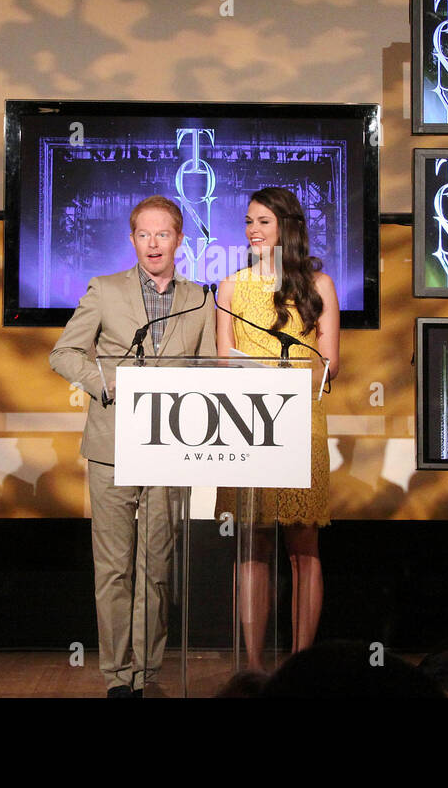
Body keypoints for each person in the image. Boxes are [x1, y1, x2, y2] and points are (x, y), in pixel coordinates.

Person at [49, 195, 217, 698]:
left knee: (157, 567)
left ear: (179, 239)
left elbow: (209, 370)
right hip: (112, 446)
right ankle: (118, 678)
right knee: (114, 567)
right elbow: (64, 353)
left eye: (162, 234)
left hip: (170, 449)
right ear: (131, 240)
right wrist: (108, 381)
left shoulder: (201, 299)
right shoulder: (104, 290)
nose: (153, 244)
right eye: (143, 235)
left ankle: (147, 675)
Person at [215, 187, 339, 673]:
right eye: (249, 221)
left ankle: (300, 668)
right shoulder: (229, 289)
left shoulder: (318, 286)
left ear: (287, 228)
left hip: (302, 424)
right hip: (247, 427)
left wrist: (286, 376)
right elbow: (224, 361)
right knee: (253, 547)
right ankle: (250, 668)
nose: (253, 231)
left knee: (303, 549)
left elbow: (331, 367)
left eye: (264, 222)